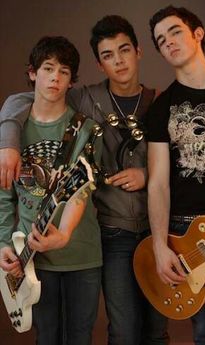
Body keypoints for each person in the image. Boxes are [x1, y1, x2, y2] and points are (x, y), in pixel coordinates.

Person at [0, 16, 169, 345]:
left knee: (153, 328)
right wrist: (7, 140)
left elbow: (180, 163)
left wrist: (147, 175)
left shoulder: (157, 102)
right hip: (108, 231)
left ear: (139, 51)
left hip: (153, 228)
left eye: (124, 51)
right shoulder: (85, 99)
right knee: (111, 330)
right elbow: (25, 100)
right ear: (99, 63)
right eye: (108, 55)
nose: (118, 61)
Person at [0, 36, 103, 345]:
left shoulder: (83, 129)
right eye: (48, 68)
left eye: (64, 71)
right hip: (30, 259)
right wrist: (3, 242)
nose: (55, 77)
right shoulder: (13, 131)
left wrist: (65, 232)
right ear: (33, 73)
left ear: (72, 81)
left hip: (81, 253)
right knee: (46, 338)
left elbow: (81, 191)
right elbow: (5, 196)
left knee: (79, 338)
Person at [147, 5, 205, 345]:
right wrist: (159, 246)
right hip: (186, 235)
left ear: (198, 33)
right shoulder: (162, 107)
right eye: (159, 40)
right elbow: (157, 184)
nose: (167, 42)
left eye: (175, 31)